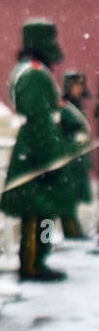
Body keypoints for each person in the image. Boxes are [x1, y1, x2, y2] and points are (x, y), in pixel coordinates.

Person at [0, 19, 75, 282]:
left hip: (34, 151)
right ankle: (32, 264)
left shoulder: (29, 70)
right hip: (37, 154)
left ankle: (37, 260)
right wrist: (50, 159)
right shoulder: (34, 74)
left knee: (43, 212)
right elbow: (40, 119)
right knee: (37, 213)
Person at [58, 71, 93, 240]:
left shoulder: (76, 107)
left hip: (75, 161)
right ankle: (47, 238)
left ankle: (69, 232)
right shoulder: (63, 108)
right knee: (53, 207)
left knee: (69, 201)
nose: (78, 89)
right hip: (65, 162)